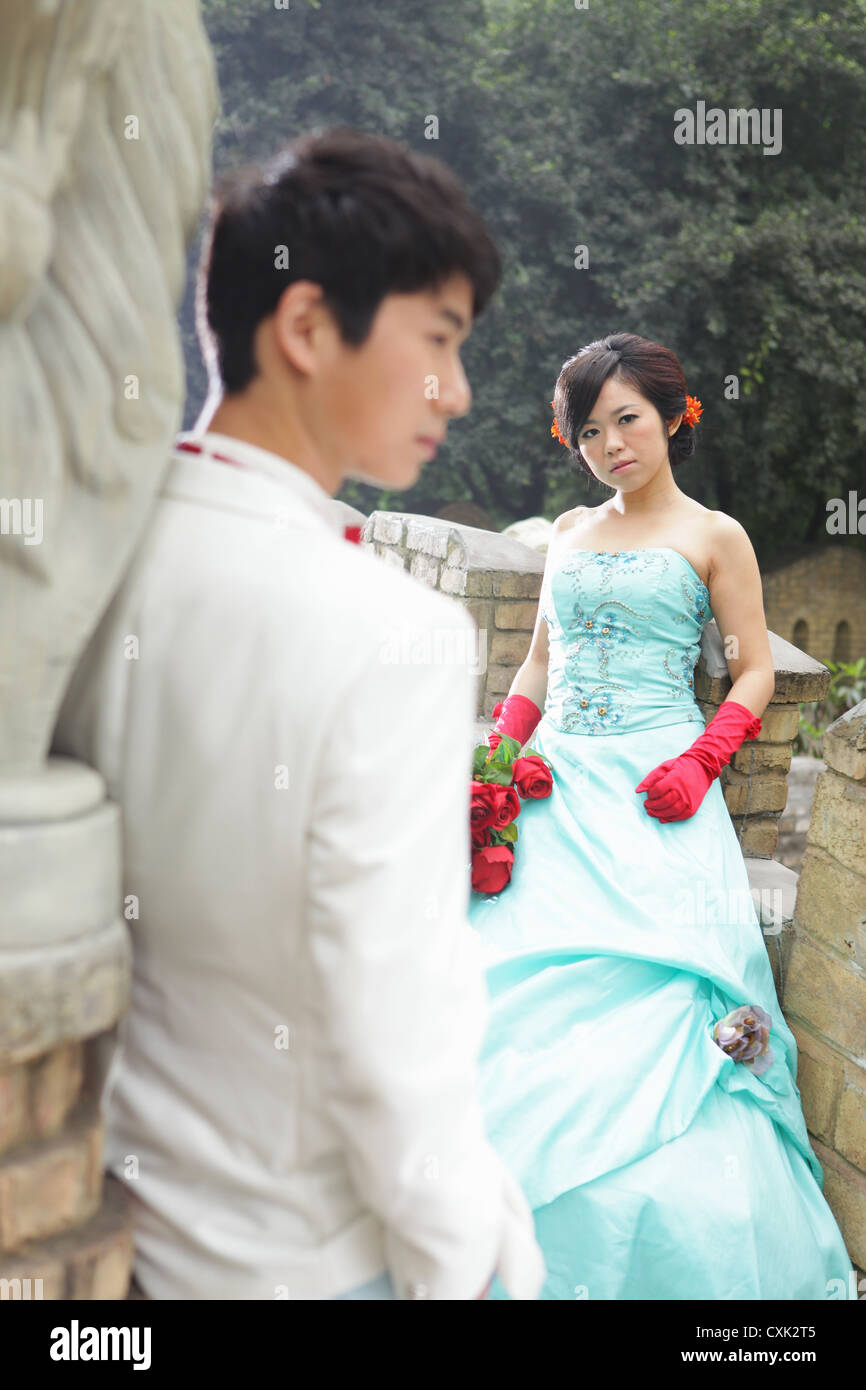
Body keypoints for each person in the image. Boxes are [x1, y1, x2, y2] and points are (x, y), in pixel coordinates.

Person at [52, 127, 545, 1301]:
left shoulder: (80, 568)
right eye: (438, 339)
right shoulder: (394, 635)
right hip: (302, 1258)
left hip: (114, 1228)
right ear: (309, 327)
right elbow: (392, 1022)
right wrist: (466, 1265)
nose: (459, 391)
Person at [469, 332, 854, 1299]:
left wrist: (701, 759)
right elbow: (539, 664)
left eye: (626, 420)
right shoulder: (566, 532)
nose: (610, 446)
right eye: (589, 431)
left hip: (656, 791)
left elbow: (755, 665)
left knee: (666, 1002)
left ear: (675, 416)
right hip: (554, 789)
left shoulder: (716, 535)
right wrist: (502, 750)